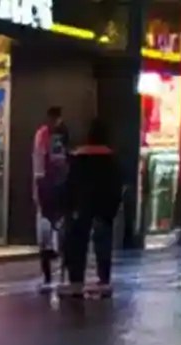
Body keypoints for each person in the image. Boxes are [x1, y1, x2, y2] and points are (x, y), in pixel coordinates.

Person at [61, 120, 122, 298]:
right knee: (103, 243)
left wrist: (69, 206)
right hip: (104, 207)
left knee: (78, 243)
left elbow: (70, 184)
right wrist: (113, 207)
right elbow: (117, 186)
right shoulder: (111, 159)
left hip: (82, 205)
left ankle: (76, 279)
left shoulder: (79, 157)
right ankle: (104, 277)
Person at [33, 106, 69, 291]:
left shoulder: (49, 134)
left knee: (47, 235)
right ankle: (57, 275)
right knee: (54, 235)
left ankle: (50, 276)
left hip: (49, 190)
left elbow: (40, 166)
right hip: (54, 190)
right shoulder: (54, 135)